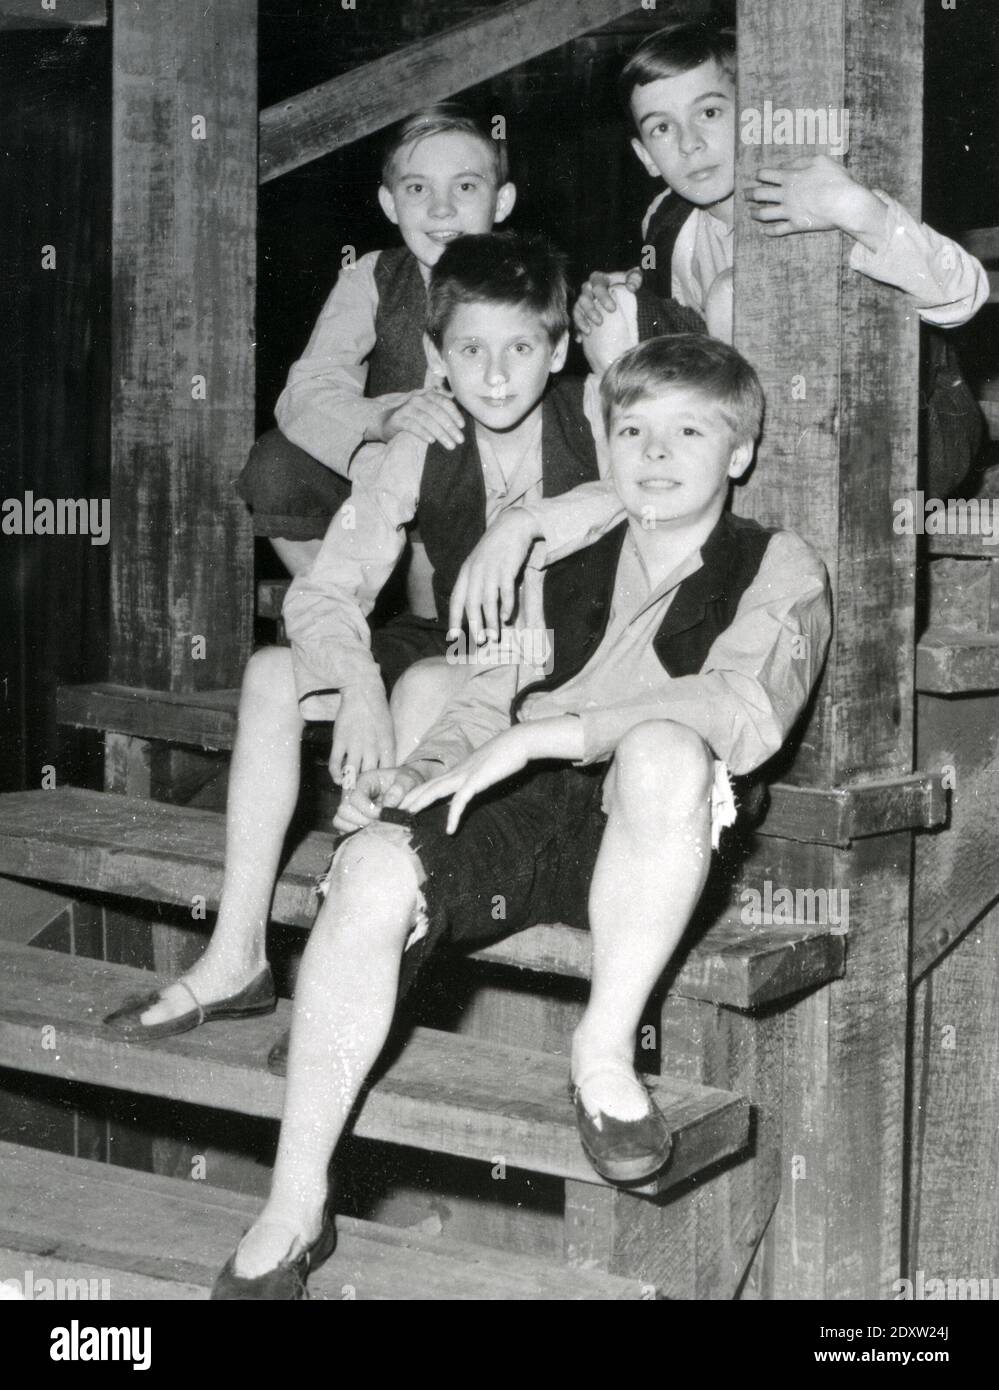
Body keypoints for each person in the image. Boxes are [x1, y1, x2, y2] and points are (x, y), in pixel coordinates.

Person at [203, 333, 831, 1299]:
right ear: (606, 444)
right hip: (524, 802)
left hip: (646, 831)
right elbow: (492, 696)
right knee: (371, 865)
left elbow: (743, 713)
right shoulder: (570, 549)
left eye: (687, 431)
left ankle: (603, 1051)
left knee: (664, 748)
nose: (654, 454)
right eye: (631, 431)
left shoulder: (777, 562)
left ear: (738, 453)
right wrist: (417, 772)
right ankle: (294, 1206)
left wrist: (561, 733)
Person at [103, 230, 602, 1043]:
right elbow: (326, 590)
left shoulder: (591, 413)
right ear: (435, 355)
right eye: (470, 349)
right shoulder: (423, 441)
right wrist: (357, 686)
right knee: (274, 674)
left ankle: (361, 976)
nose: (497, 372)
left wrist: (527, 525)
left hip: (555, 655)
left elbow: (656, 500)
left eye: (520, 346)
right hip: (450, 634)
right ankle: (238, 955)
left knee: (427, 687)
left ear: (558, 348)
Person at [573, 21, 988, 358]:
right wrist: (629, 292)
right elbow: (687, 316)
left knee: (736, 289)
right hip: (735, 395)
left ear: (753, 116)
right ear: (645, 155)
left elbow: (962, 296)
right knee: (613, 310)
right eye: (662, 128)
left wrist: (857, 209)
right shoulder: (665, 218)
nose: (689, 143)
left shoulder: (811, 186)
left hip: (876, 406)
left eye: (710, 112)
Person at [237, 103, 516, 583]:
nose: (441, 208)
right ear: (390, 204)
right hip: (376, 482)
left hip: (480, 488)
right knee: (276, 462)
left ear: (502, 201)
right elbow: (305, 392)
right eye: (417, 188)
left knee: (433, 621)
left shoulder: (529, 281)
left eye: (466, 186)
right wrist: (380, 420)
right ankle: (333, 609)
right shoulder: (371, 274)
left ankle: (429, 615)